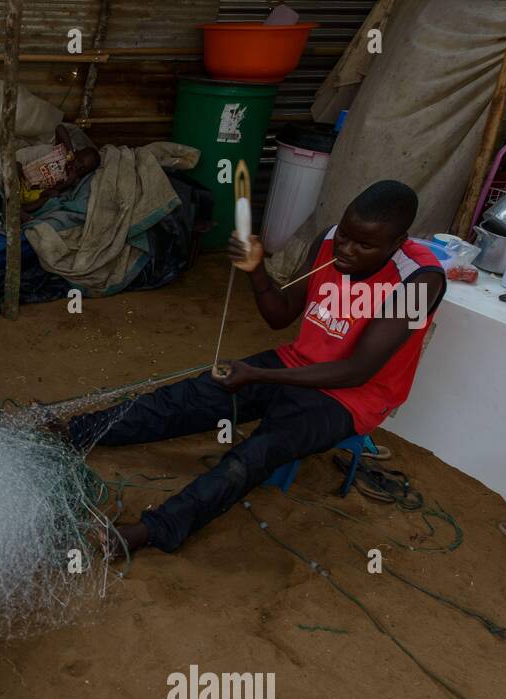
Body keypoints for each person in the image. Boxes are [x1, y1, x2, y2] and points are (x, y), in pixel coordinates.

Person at [54, 179, 447, 555]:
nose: (345, 248)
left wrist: (258, 375)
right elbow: (280, 314)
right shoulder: (329, 240)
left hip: (350, 397)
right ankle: (77, 432)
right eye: (345, 233)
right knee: (189, 397)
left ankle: (152, 531)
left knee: (251, 457)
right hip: (297, 364)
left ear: (398, 242)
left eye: (363, 245)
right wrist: (256, 270)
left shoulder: (420, 281)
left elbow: (358, 371)